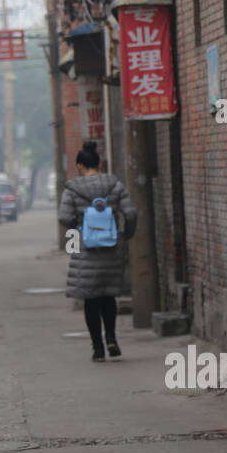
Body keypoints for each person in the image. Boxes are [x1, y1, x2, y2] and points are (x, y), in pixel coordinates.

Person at [58, 142, 137, 362]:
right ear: (99, 163)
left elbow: (64, 217)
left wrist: (79, 228)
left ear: (80, 166)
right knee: (108, 295)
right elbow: (130, 213)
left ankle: (98, 348)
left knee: (91, 299)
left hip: (87, 249)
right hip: (112, 246)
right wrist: (125, 235)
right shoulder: (115, 185)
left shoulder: (72, 188)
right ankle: (111, 338)